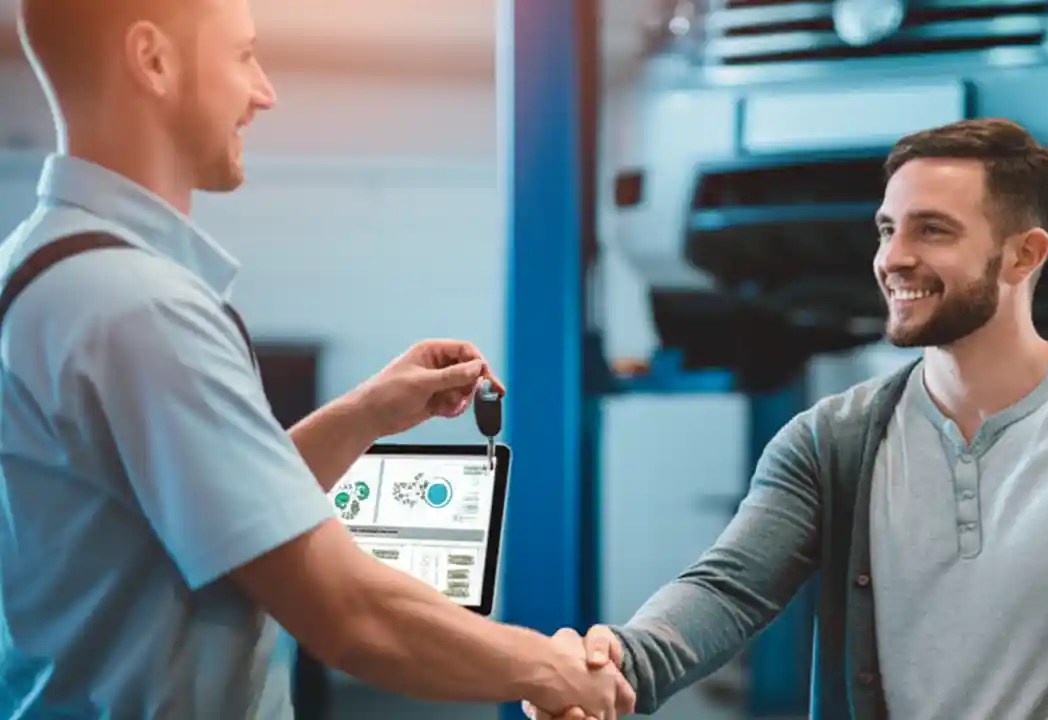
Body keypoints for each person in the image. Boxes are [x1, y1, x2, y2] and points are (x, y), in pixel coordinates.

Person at [0, 0, 634, 718]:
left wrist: (365, 414)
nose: (263, 92)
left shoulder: (37, 268)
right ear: (154, 61)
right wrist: (546, 666)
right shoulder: (139, 307)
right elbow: (349, 613)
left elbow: (220, 521)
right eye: (243, 56)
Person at [526, 118, 1048, 719]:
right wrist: (622, 663)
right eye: (888, 229)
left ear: (1024, 255)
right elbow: (728, 588)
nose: (893, 258)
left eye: (932, 230)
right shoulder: (833, 441)